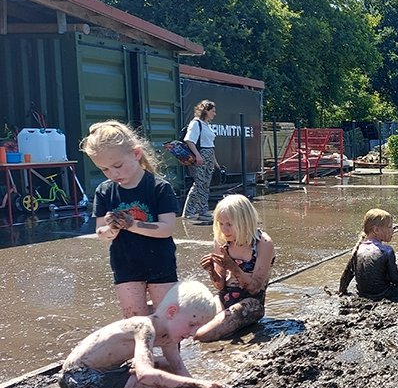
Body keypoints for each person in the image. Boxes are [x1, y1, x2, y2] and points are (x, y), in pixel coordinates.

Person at [58, 281, 224, 388]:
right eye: (192, 324)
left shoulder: (168, 337)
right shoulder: (145, 327)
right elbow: (145, 375)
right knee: (155, 387)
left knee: (168, 366)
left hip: (99, 375)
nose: (193, 333)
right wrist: (197, 384)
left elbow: (178, 368)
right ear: (171, 312)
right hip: (78, 379)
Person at [81, 120, 180, 318]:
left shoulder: (159, 187)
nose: (113, 174)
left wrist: (132, 224)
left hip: (161, 262)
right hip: (124, 265)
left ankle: (171, 351)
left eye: (117, 165)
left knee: (168, 320)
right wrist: (112, 230)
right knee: (135, 321)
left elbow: (167, 229)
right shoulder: (104, 191)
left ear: (136, 154)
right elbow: (100, 232)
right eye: (104, 169)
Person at [196, 194, 276, 341]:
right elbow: (220, 286)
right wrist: (212, 271)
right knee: (190, 323)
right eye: (220, 224)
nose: (224, 230)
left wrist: (233, 268)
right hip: (225, 296)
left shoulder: (263, 243)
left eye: (229, 224)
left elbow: (255, 288)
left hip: (251, 303)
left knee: (203, 334)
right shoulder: (222, 241)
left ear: (244, 222)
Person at [339, 209, 398, 299]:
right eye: (389, 227)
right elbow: (396, 280)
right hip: (382, 294)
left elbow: (345, 277)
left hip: (362, 294)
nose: (393, 230)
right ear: (376, 230)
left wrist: (342, 291)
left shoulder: (357, 249)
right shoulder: (387, 251)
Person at [182, 99, 221, 222]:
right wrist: (198, 155)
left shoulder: (207, 125)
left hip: (209, 156)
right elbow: (189, 140)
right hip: (200, 156)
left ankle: (196, 210)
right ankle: (195, 211)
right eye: (213, 111)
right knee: (199, 184)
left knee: (204, 184)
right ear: (206, 111)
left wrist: (215, 163)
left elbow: (211, 144)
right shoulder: (196, 123)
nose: (215, 113)